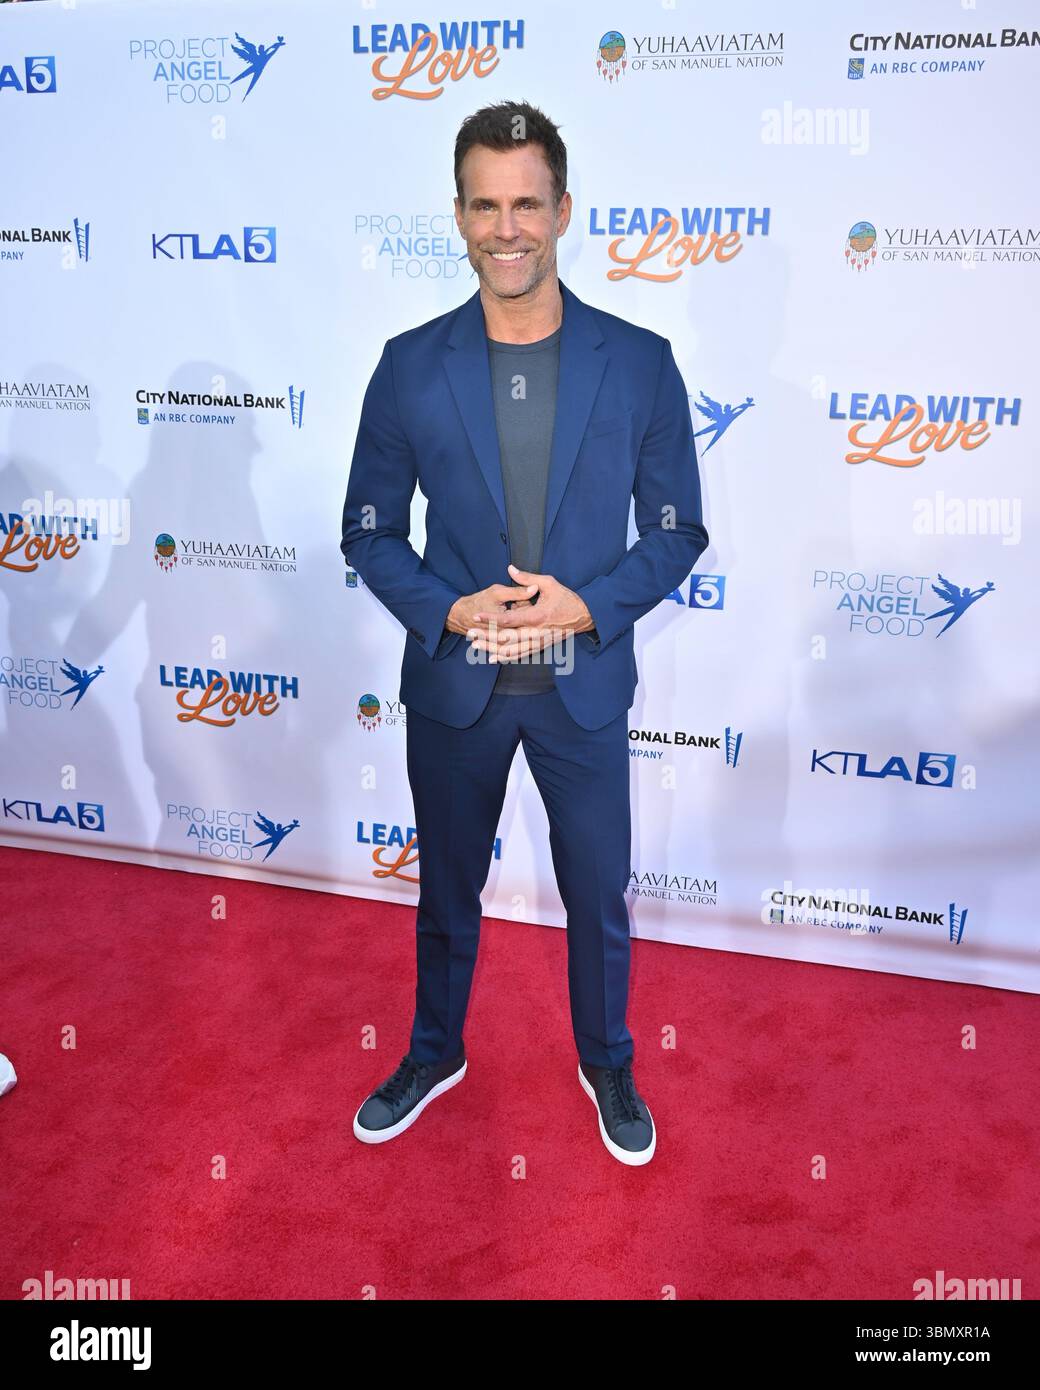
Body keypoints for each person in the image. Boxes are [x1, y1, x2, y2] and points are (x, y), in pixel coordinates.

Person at [341, 101, 708, 1165]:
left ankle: (606, 1060)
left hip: (581, 687)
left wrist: (585, 604)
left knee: (596, 892)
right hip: (454, 686)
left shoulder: (638, 361)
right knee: (446, 888)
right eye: (485, 205)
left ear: (562, 211)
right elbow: (368, 527)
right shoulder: (408, 363)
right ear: (457, 214)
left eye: (527, 205)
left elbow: (678, 528)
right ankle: (434, 1049)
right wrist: (445, 608)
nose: (507, 228)